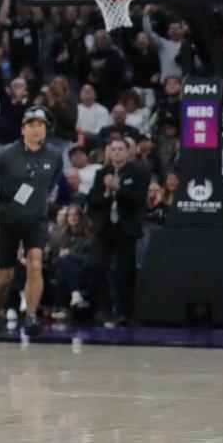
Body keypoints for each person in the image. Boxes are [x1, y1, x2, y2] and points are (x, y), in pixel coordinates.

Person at [0, 105, 59, 335]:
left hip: (36, 219)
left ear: (46, 130)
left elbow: (52, 182)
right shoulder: (8, 152)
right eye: (31, 125)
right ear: (22, 129)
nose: (36, 129)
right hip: (7, 219)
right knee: (4, 274)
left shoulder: (54, 155)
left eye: (40, 125)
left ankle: (31, 315)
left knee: (36, 262)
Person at [85, 135, 150, 326]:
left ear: (129, 152)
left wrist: (119, 189)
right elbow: (92, 202)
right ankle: (105, 308)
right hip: (105, 227)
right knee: (95, 265)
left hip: (126, 228)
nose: (116, 153)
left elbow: (138, 200)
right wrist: (106, 194)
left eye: (120, 149)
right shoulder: (101, 173)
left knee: (125, 272)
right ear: (108, 152)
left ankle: (125, 312)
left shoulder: (138, 172)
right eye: (113, 149)